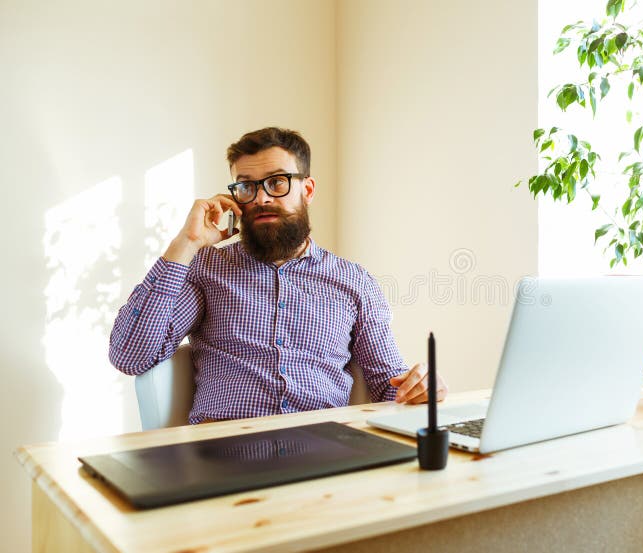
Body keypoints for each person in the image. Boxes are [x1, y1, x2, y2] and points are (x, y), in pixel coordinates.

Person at [109, 127, 446, 424]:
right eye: (246, 187)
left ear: (308, 190)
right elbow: (130, 356)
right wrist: (185, 245)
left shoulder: (355, 282)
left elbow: (389, 385)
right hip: (224, 452)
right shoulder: (208, 269)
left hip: (324, 451)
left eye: (277, 182)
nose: (262, 198)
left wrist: (419, 389)